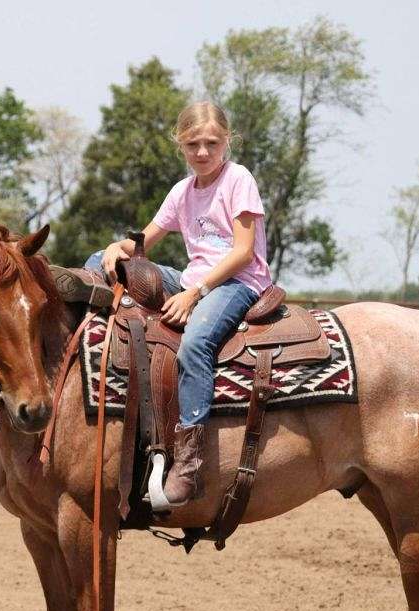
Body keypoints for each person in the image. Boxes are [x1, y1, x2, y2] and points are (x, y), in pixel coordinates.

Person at [56, 101, 273, 507]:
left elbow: (243, 252)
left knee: (196, 344)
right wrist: (116, 249)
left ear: (227, 141)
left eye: (212, 143)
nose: (203, 152)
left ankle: (189, 461)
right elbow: (143, 242)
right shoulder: (183, 191)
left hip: (238, 282)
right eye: (193, 144)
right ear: (180, 144)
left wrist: (195, 294)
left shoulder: (238, 179)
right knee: (100, 262)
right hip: (191, 278)